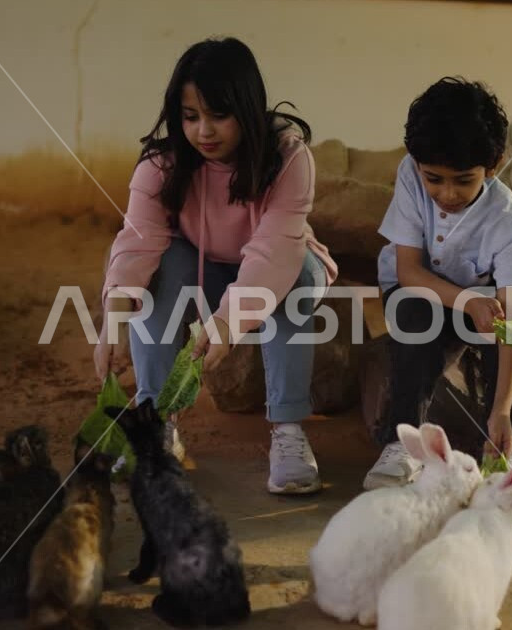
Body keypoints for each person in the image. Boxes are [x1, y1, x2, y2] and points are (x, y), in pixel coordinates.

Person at [94, 37, 337, 495]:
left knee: (299, 272)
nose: (203, 131)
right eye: (190, 117)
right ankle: (154, 423)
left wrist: (227, 323)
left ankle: (288, 430)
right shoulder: (162, 164)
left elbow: (274, 252)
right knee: (161, 264)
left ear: (247, 108)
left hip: (278, 267)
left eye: (218, 115)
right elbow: (135, 245)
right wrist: (114, 321)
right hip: (203, 271)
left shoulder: (289, 158)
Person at [364, 77, 512, 490]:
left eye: (463, 180)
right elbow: (408, 271)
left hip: (483, 297)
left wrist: (501, 410)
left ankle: (505, 443)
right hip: (419, 289)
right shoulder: (410, 174)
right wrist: (467, 303)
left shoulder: (506, 219)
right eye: (434, 178)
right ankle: (403, 442)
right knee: (414, 321)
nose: (447, 193)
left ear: (493, 166)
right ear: (416, 162)